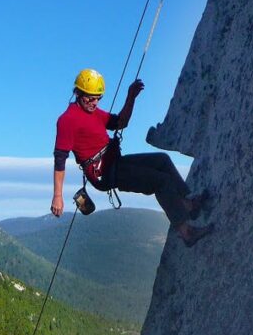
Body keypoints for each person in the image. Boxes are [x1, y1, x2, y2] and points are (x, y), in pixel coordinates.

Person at [50, 69, 213, 247]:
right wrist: (57, 196)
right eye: (90, 97)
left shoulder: (93, 112)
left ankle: (188, 205)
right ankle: (186, 232)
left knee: (162, 160)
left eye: (98, 97)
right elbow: (60, 160)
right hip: (103, 173)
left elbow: (121, 122)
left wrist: (131, 97)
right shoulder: (67, 120)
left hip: (114, 162)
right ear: (77, 93)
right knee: (161, 182)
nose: (94, 102)